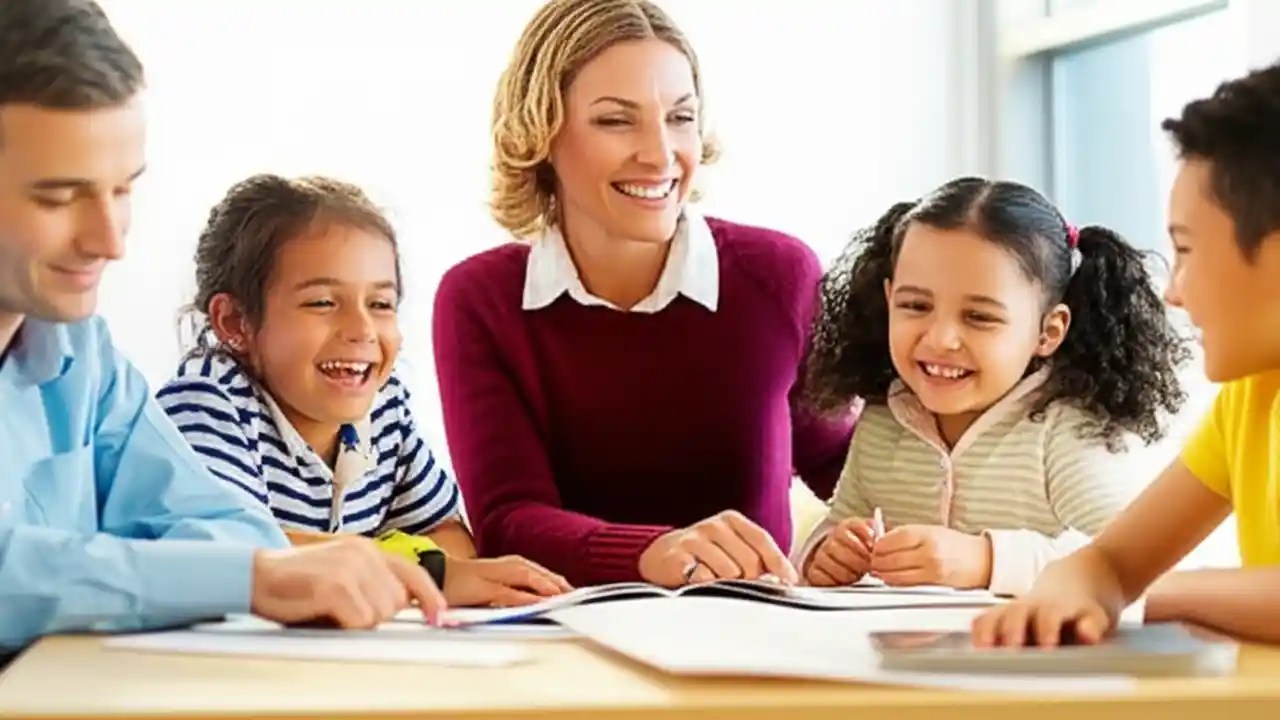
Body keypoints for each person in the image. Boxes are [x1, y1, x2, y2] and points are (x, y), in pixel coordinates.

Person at [0, 0, 444, 653]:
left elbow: (221, 527)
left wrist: (235, 570)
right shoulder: (201, 394)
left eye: (123, 190)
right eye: (59, 197)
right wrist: (233, 575)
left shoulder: (80, 355)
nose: (110, 240)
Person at [432, 0, 855, 588]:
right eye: (615, 120)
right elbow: (508, 521)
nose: (660, 154)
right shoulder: (482, 299)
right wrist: (652, 552)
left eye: (680, 118)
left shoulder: (777, 277)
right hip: (568, 641)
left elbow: (849, 465)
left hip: (755, 638)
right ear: (542, 132)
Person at [972, 62, 1280, 647]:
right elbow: (1112, 561)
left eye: (1186, 250)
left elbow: (1150, 585)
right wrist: (1077, 587)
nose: (1175, 291)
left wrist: (1171, 593)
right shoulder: (1251, 399)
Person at [157, 174, 571, 607]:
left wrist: (412, 569)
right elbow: (233, 550)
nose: (362, 330)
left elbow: (448, 536)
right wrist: (425, 573)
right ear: (235, 322)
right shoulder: (208, 405)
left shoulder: (384, 411)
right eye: (322, 302)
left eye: (380, 305)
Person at [793, 178, 1189, 596]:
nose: (941, 338)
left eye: (979, 317)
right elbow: (840, 520)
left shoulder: (1063, 429)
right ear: (888, 299)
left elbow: (1136, 560)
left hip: (1033, 659)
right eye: (915, 306)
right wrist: (827, 553)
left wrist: (986, 561)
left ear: (1048, 330)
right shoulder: (884, 418)